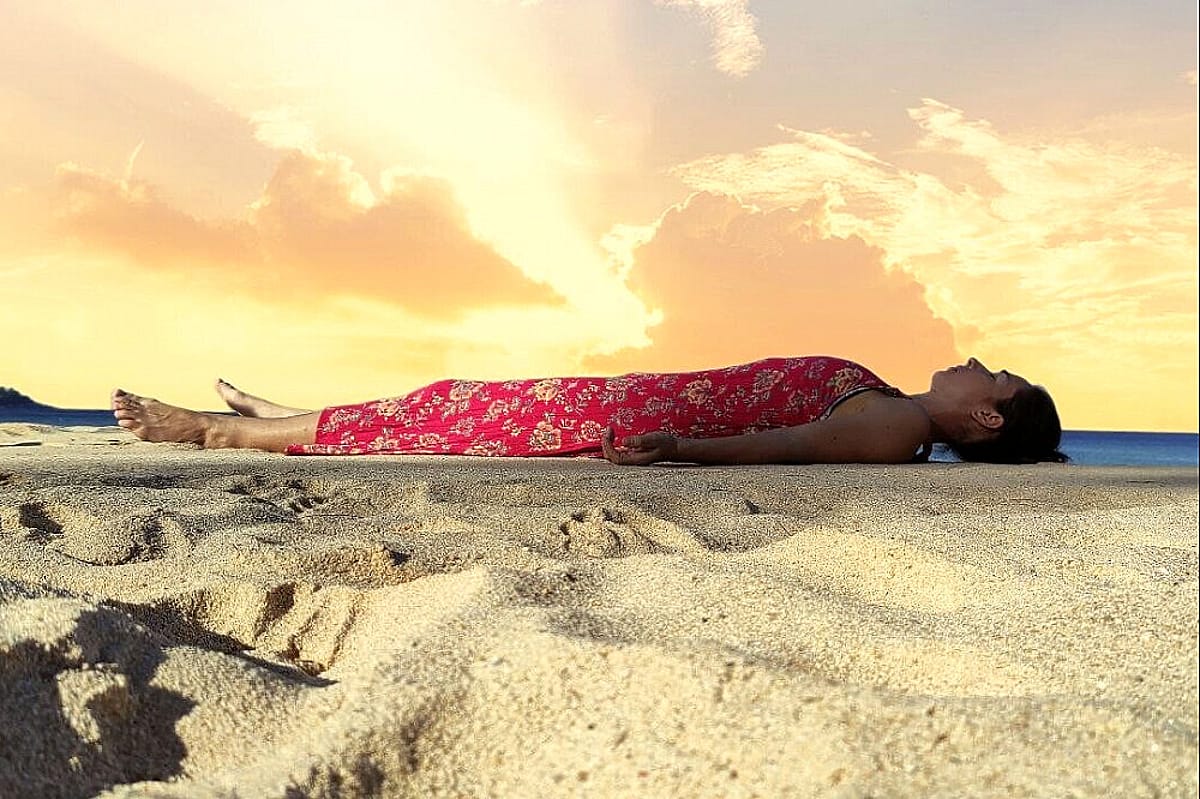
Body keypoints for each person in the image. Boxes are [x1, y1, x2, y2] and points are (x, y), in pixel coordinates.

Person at [110, 355, 1067, 465]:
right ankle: (288, 412)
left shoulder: (897, 427)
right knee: (445, 400)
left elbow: (793, 442)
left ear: (989, 418)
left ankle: (214, 429)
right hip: (631, 395)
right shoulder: (895, 402)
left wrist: (674, 446)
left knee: (448, 413)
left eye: (997, 380)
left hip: (625, 419)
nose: (978, 362)